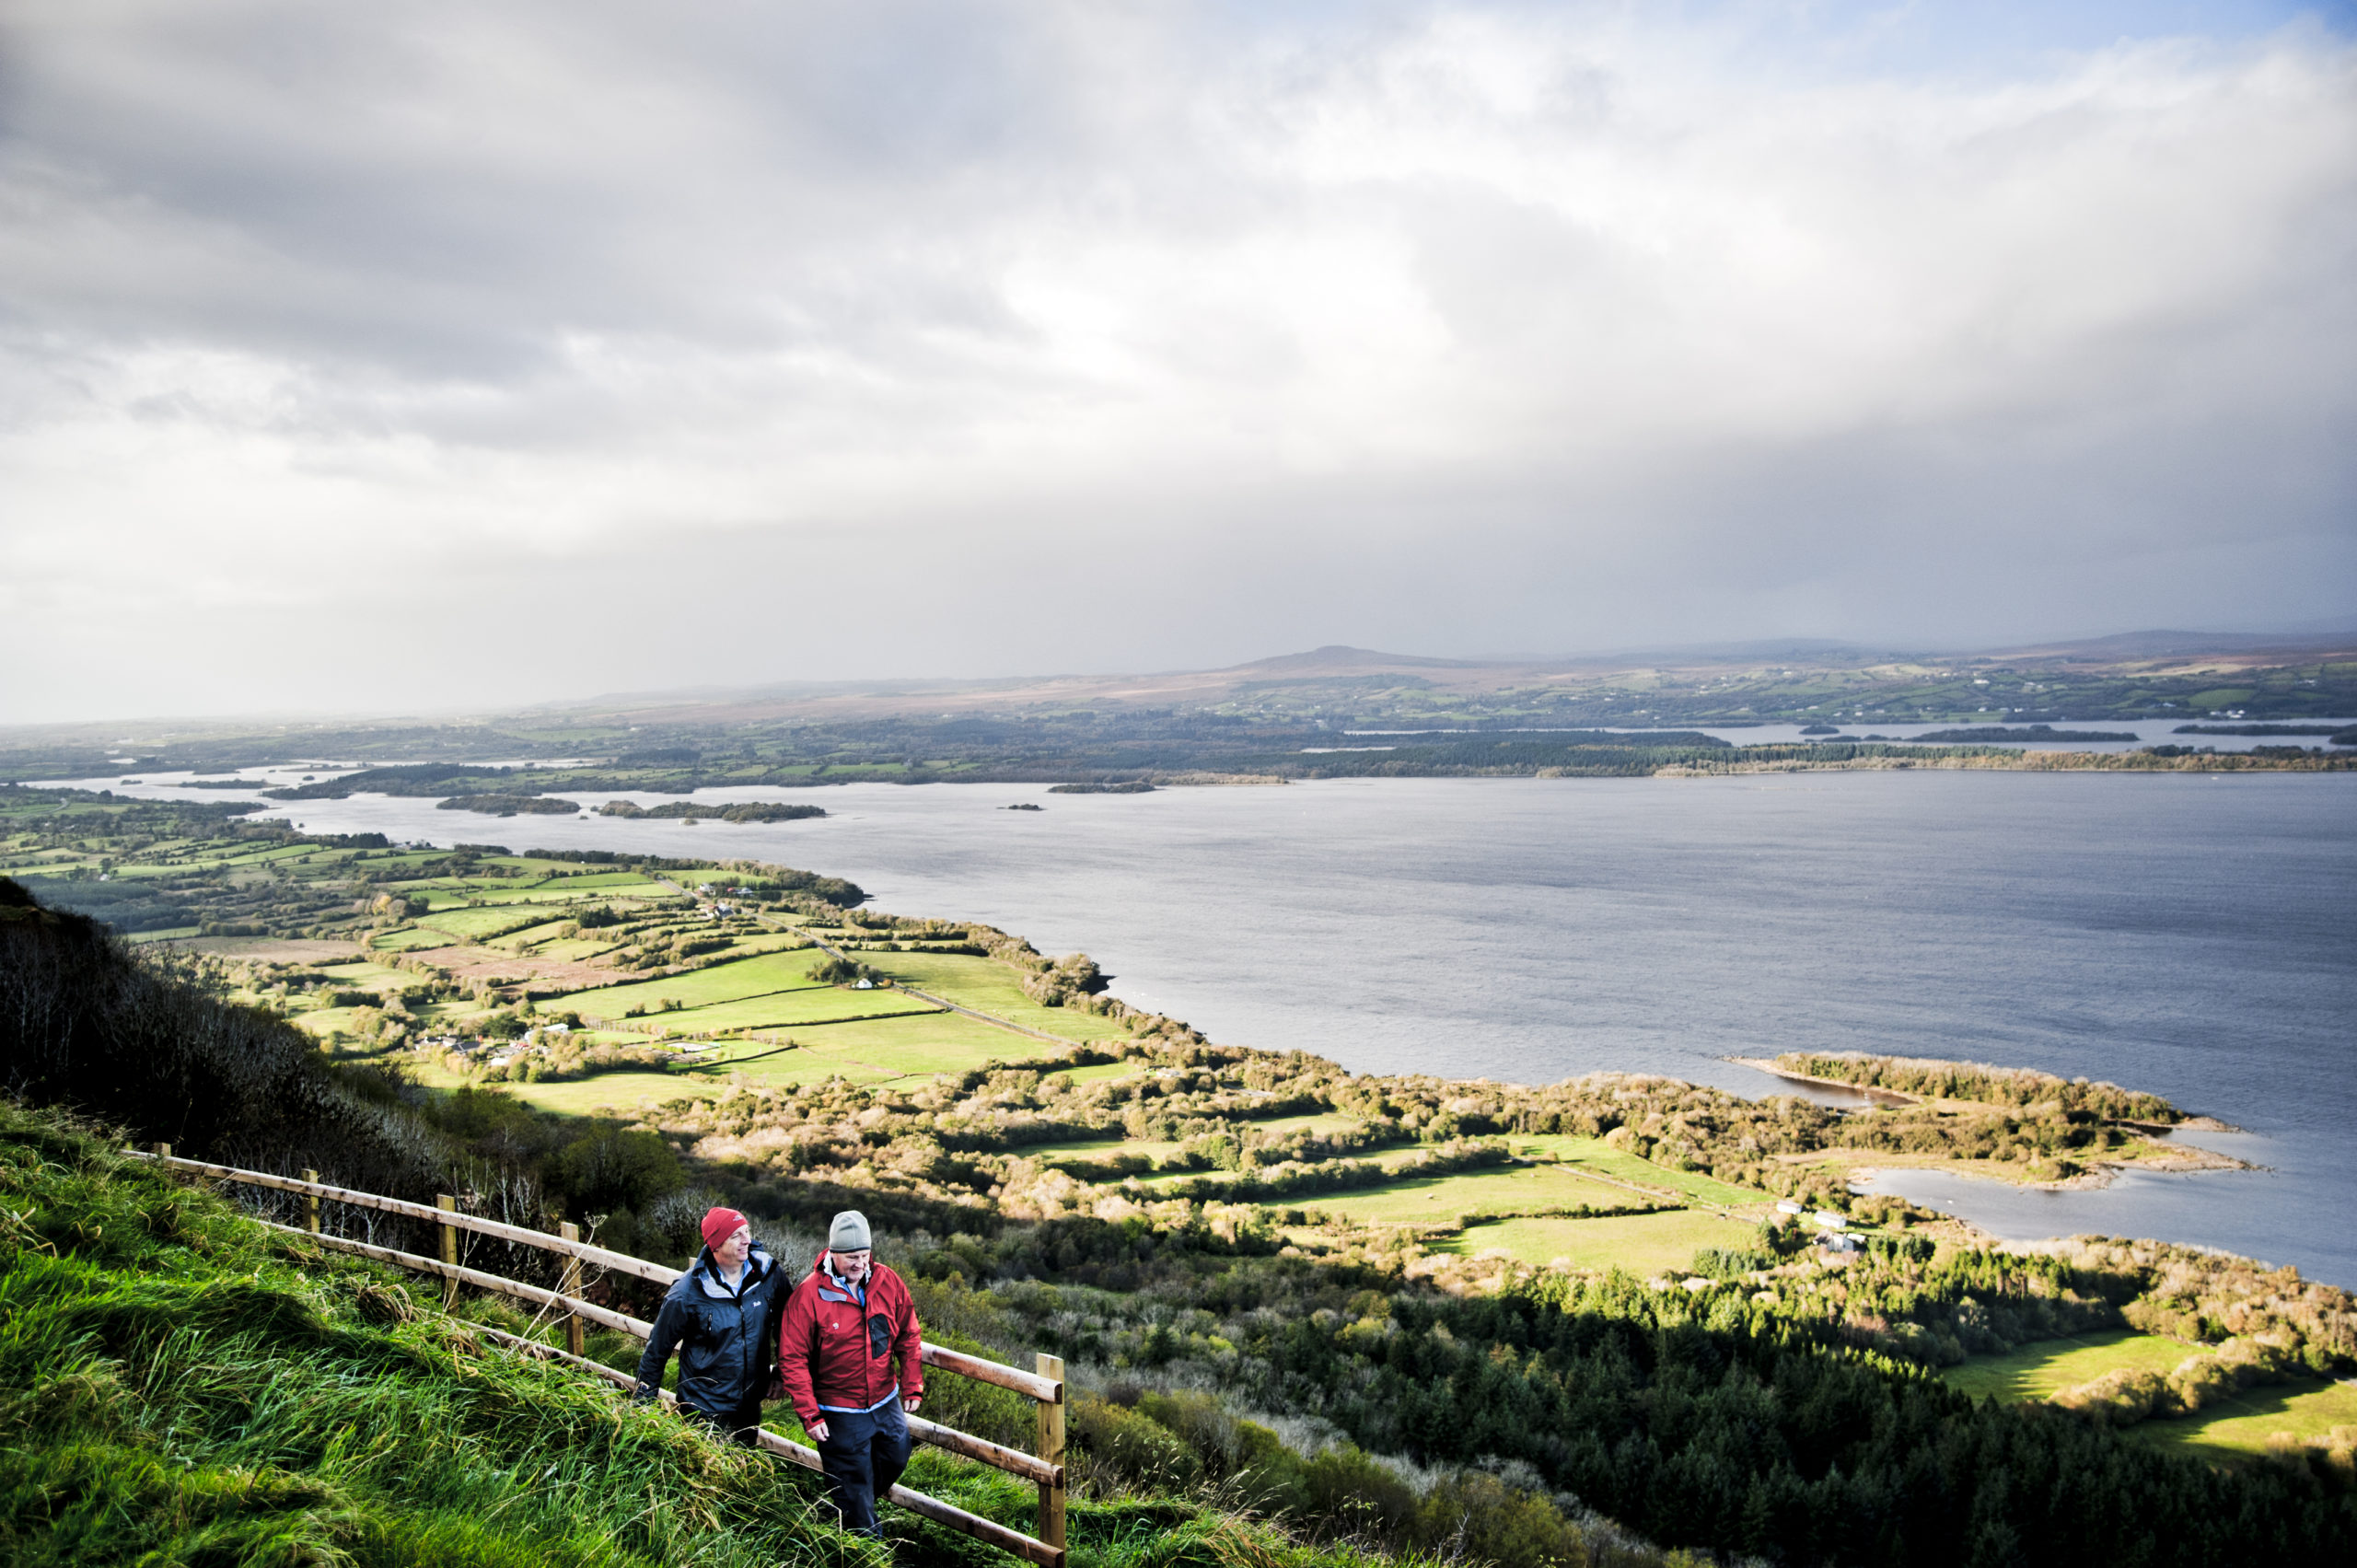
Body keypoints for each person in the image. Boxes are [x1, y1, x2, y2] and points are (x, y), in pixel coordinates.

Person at [775, 1209, 924, 1538]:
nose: (860, 1264)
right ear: (833, 1253)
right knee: (854, 1485)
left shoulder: (888, 1281)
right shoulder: (809, 1295)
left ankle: (842, 1510)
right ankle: (865, 1544)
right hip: (839, 1409)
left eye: (864, 1255)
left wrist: (912, 1383)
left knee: (897, 1455)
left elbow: (908, 1333)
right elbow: (792, 1357)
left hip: (884, 1399)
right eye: (851, 1257)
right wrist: (810, 1413)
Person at [633, 1206, 787, 1445]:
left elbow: (788, 1325)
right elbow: (657, 1350)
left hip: (749, 1406)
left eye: (747, 1231)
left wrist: (780, 1372)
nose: (747, 1240)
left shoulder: (768, 1275)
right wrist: (642, 1407)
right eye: (736, 1235)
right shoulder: (687, 1292)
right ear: (716, 1245)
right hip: (703, 1409)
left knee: (742, 1465)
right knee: (705, 1468)